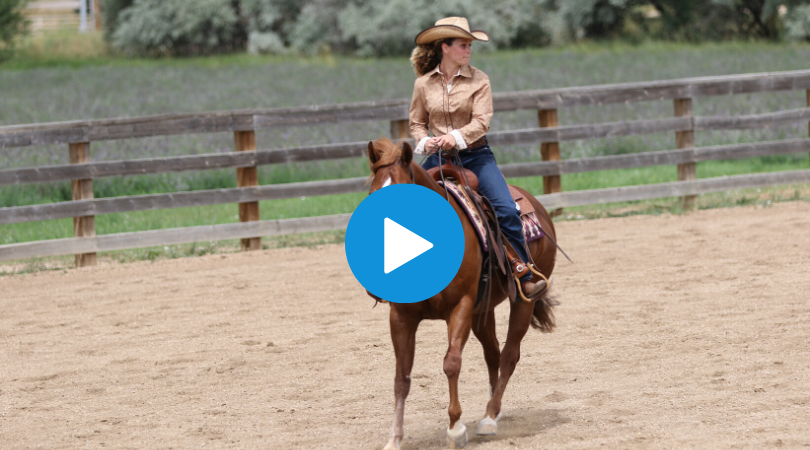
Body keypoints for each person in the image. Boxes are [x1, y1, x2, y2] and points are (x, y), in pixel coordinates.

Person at [409, 16, 547, 299]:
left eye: (470, 45)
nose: (469, 50)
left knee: (506, 210)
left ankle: (524, 272)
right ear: (444, 47)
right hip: (438, 159)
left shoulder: (480, 80)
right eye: (463, 44)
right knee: (406, 207)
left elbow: (482, 121)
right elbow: (416, 122)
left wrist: (455, 136)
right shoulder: (423, 84)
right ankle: (401, 271)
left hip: (476, 157)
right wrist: (425, 141)